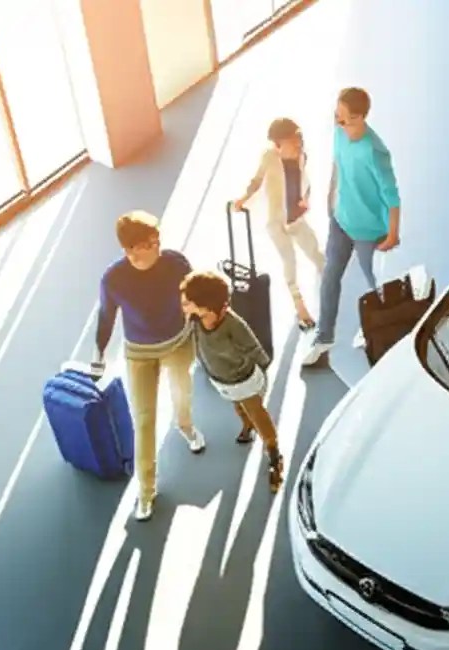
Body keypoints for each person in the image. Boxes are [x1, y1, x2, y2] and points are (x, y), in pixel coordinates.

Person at [94, 210, 205, 522]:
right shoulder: (113, 277)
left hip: (179, 343)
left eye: (137, 247)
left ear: (154, 241)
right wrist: (99, 352)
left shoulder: (176, 264)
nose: (131, 254)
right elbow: (106, 316)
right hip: (139, 353)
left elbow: (195, 296)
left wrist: (207, 324)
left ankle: (185, 426)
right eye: (126, 248)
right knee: (144, 420)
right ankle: (146, 492)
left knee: (182, 394)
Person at [302, 87, 402, 367]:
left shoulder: (375, 151)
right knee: (330, 276)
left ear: (360, 118)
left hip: (369, 230)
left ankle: (379, 330)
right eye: (337, 117)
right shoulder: (338, 133)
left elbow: (392, 195)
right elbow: (338, 167)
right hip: (341, 221)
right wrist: (330, 203)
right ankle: (324, 336)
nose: (339, 124)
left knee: (376, 285)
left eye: (345, 119)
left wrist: (392, 233)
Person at [180, 269, 285, 492]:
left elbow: (255, 350)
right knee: (238, 408)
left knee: (256, 413)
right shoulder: (194, 320)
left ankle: (274, 453)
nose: (183, 306)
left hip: (243, 380)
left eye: (188, 302)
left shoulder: (233, 325)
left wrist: (263, 374)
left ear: (206, 306)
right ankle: (247, 426)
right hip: (221, 380)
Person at [234, 117, 326, 330]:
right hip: (276, 223)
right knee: (290, 263)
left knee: (316, 253)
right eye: (292, 141)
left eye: (298, 138)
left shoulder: (302, 156)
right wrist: (242, 199)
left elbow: (306, 181)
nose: (297, 144)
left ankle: (330, 288)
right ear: (278, 145)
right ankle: (300, 306)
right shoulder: (270, 158)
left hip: (296, 218)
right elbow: (256, 181)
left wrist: (306, 199)